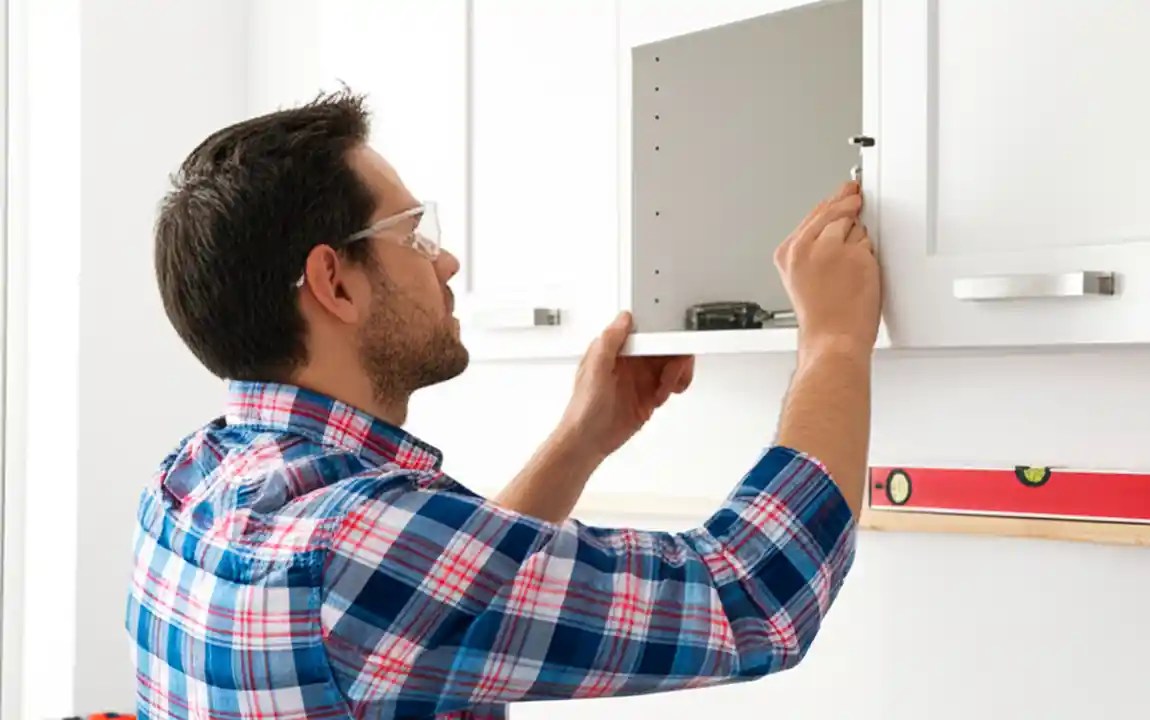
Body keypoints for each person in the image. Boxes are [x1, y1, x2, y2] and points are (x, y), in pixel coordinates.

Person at [125, 90, 880, 719]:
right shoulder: (350, 548)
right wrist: (835, 341)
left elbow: (432, 606)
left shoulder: (188, 482)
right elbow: (751, 599)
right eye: (413, 236)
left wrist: (581, 440)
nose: (445, 260)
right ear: (336, 283)